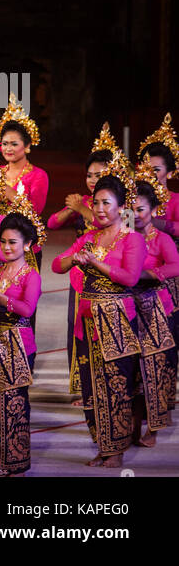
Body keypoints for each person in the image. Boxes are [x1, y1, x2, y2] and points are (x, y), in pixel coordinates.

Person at [52, 168, 144, 468]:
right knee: (93, 389)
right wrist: (73, 259)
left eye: (107, 203)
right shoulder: (89, 237)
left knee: (116, 387)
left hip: (117, 324)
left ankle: (116, 451)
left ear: (121, 208)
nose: (101, 209)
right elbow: (56, 265)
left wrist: (95, 263)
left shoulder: (132, 240)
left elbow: (130, 278)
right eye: (97, 203)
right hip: (88, 324)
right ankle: (102, 445)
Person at [49, 125, 116, 402]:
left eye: (98, 174)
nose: (91, 179)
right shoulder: (84, 200)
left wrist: (81, 209)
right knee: (77, 331)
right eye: (89, 174)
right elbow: (53, 222)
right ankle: (84, 388)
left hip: (109, 277)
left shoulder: (113, 205)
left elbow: (101, 221)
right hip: (80, 272)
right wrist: (73, 208)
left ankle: (107, 387)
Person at [0, 212, 43, 476]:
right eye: (3, 242)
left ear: (27, 245)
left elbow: (27, 309)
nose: (6, 247)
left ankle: (16, 464)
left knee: (15, 403)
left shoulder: (31, 275)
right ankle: (0, 459)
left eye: (13, 242)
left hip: (18, 342)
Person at [129, 173, 177, 445]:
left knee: (154, 368)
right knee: (131, 369)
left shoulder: (161, 239)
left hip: (155, 307)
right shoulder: (122, 237)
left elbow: (176, 266)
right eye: (131, 209)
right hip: (127, 306)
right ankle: (132, 428)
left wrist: (148, 273)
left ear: (154, 210)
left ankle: (153, 429)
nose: (135, 215)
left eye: (141, 209)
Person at [0, 93, 49, 214]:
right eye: (5, 144)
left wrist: (8, 192)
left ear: (27, 146)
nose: (8, 148)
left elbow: (35, 211)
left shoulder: (38, 175)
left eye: (14, 144)